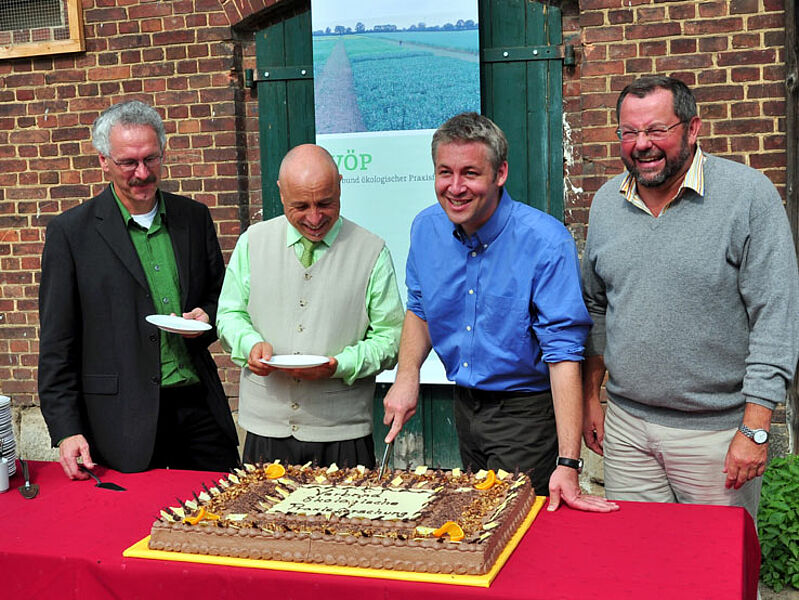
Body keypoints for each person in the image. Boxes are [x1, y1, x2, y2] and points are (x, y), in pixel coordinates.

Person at [581, 75, 799, 519]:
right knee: (639, 572)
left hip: (716, 437)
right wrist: (590, 398)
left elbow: (775, 317)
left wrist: (755, 429)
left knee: (717, 574)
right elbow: (597, 308)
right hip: (626, 432)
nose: (642, 144)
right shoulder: (606, 203)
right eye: (629, 132)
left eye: (657, 130)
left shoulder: (748, 196)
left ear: (693, 128)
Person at [382, 112, 618, 513]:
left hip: (525, 414)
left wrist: (567, 461)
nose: (455, 187)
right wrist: (407, 378)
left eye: (470, 173)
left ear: (500, 173)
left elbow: (564, 353)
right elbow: (420, 309)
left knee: (516, 532)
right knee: (480, 527)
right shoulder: (425, 229)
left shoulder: (545, 241)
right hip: (465, 405)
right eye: (445, 173)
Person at [38, 100, 240, 480]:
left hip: (198, 406)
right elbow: (56, 343)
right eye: (128, 163)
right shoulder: (70, 233)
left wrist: (206, 316)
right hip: (118, 420)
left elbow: (220, 296)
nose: (142, 173)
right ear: (103, 161)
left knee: (224, 516)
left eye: (151, 159)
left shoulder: (194, 218)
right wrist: (66, 429)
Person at [216, 144, 403, 468]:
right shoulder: (252, 241)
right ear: (281, 193)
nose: (315, 218)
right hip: (264, 430)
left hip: (342, 435)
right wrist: (249, 345)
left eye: (325, 203)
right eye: (300, 206)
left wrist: (340, 364)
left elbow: (391, 336)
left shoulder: (372, 251)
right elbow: (229, 313)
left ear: (340, 185)